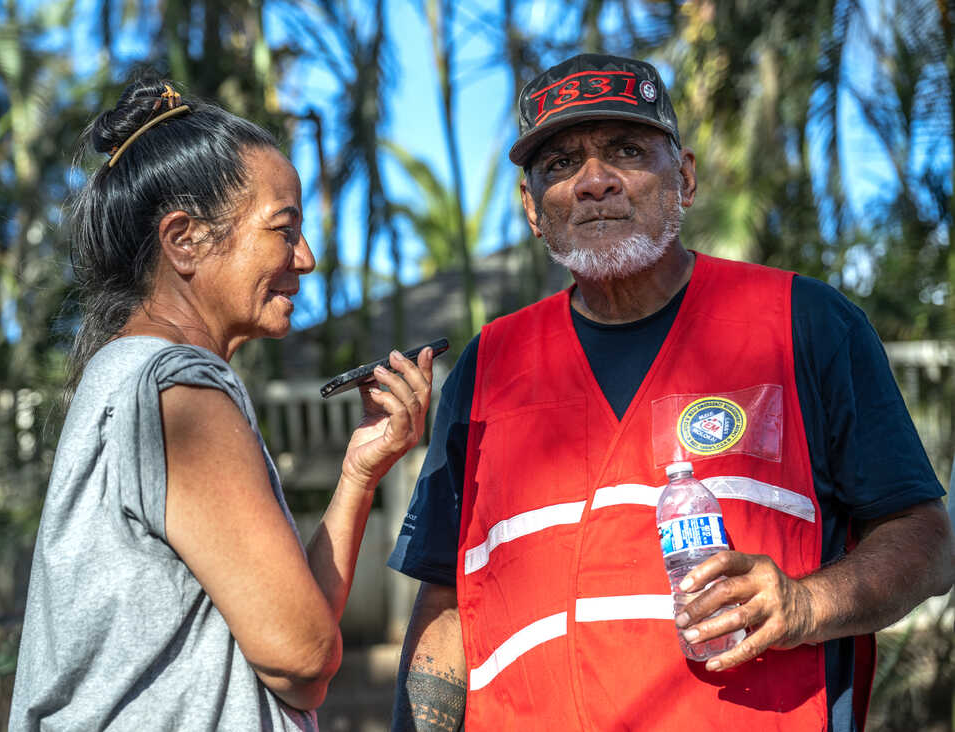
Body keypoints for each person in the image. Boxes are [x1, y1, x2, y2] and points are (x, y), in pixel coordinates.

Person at [387, 54, 955, 731]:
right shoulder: (488, 365)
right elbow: (448, 598)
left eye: (627, 151)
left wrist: (806, 606)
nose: (594, 182)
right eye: (560, 164)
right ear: (532, 208)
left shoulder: (805, 325)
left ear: (682, 175)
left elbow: (925, 541)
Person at [9, 79, 434, 731]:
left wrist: (358, 472)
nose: (307, 259)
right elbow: (304, 658)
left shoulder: (125, 378)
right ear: (185, 242)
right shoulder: (179, 389)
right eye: (283, 230)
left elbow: (297, 638)